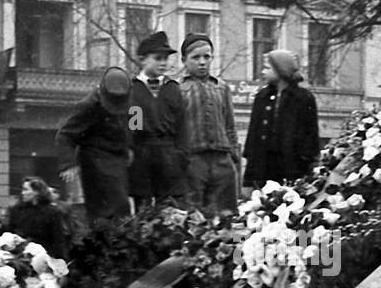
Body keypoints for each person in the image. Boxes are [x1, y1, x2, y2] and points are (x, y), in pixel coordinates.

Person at [54, 66, 133, 222]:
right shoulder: (88, 106)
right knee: (109, 208)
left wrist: (130, 145)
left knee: (121, 206)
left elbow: (135, 124)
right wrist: (68, 164)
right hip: (95, 159)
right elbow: (65, 135)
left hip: (120, 159)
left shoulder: (132, 102)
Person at [178, 33, 240, 214]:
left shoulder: (221, 88)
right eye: (195, 57)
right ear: (184, 60)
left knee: (226, 213)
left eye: (207, 56)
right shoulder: (179, 89)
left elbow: (229, 124)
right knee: (194, 213)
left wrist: (233, 155)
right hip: (194, 161)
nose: (202, 62)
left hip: (222, 160)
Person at [243, 49, 320, 189]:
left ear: (281, 70)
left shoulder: (303, 98)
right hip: (264, 169)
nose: (263, 72)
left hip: (292, 169)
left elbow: (311, 138)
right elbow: (253, 139)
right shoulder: (262, 97)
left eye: (267, 68)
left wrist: (307, 167)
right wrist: (248, 180)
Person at [128, 31, 187, 211]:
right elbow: (133, 126)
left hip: (169, 158)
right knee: (143, 210)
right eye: (158, 58)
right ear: (143, 60)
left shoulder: (173, 89)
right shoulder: (133, 90)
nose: (163, 63)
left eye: (166, 59)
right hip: (143, 157)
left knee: (169, 211)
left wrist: (181, 156)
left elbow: (181, 126)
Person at [6, 176, 68, 256]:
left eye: (26, 189)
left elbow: (58, 239)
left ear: (37, 191)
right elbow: (10, 232)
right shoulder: (17, 210)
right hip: (20, 255)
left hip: (45, 255)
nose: (22, 193)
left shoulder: (52, 212)